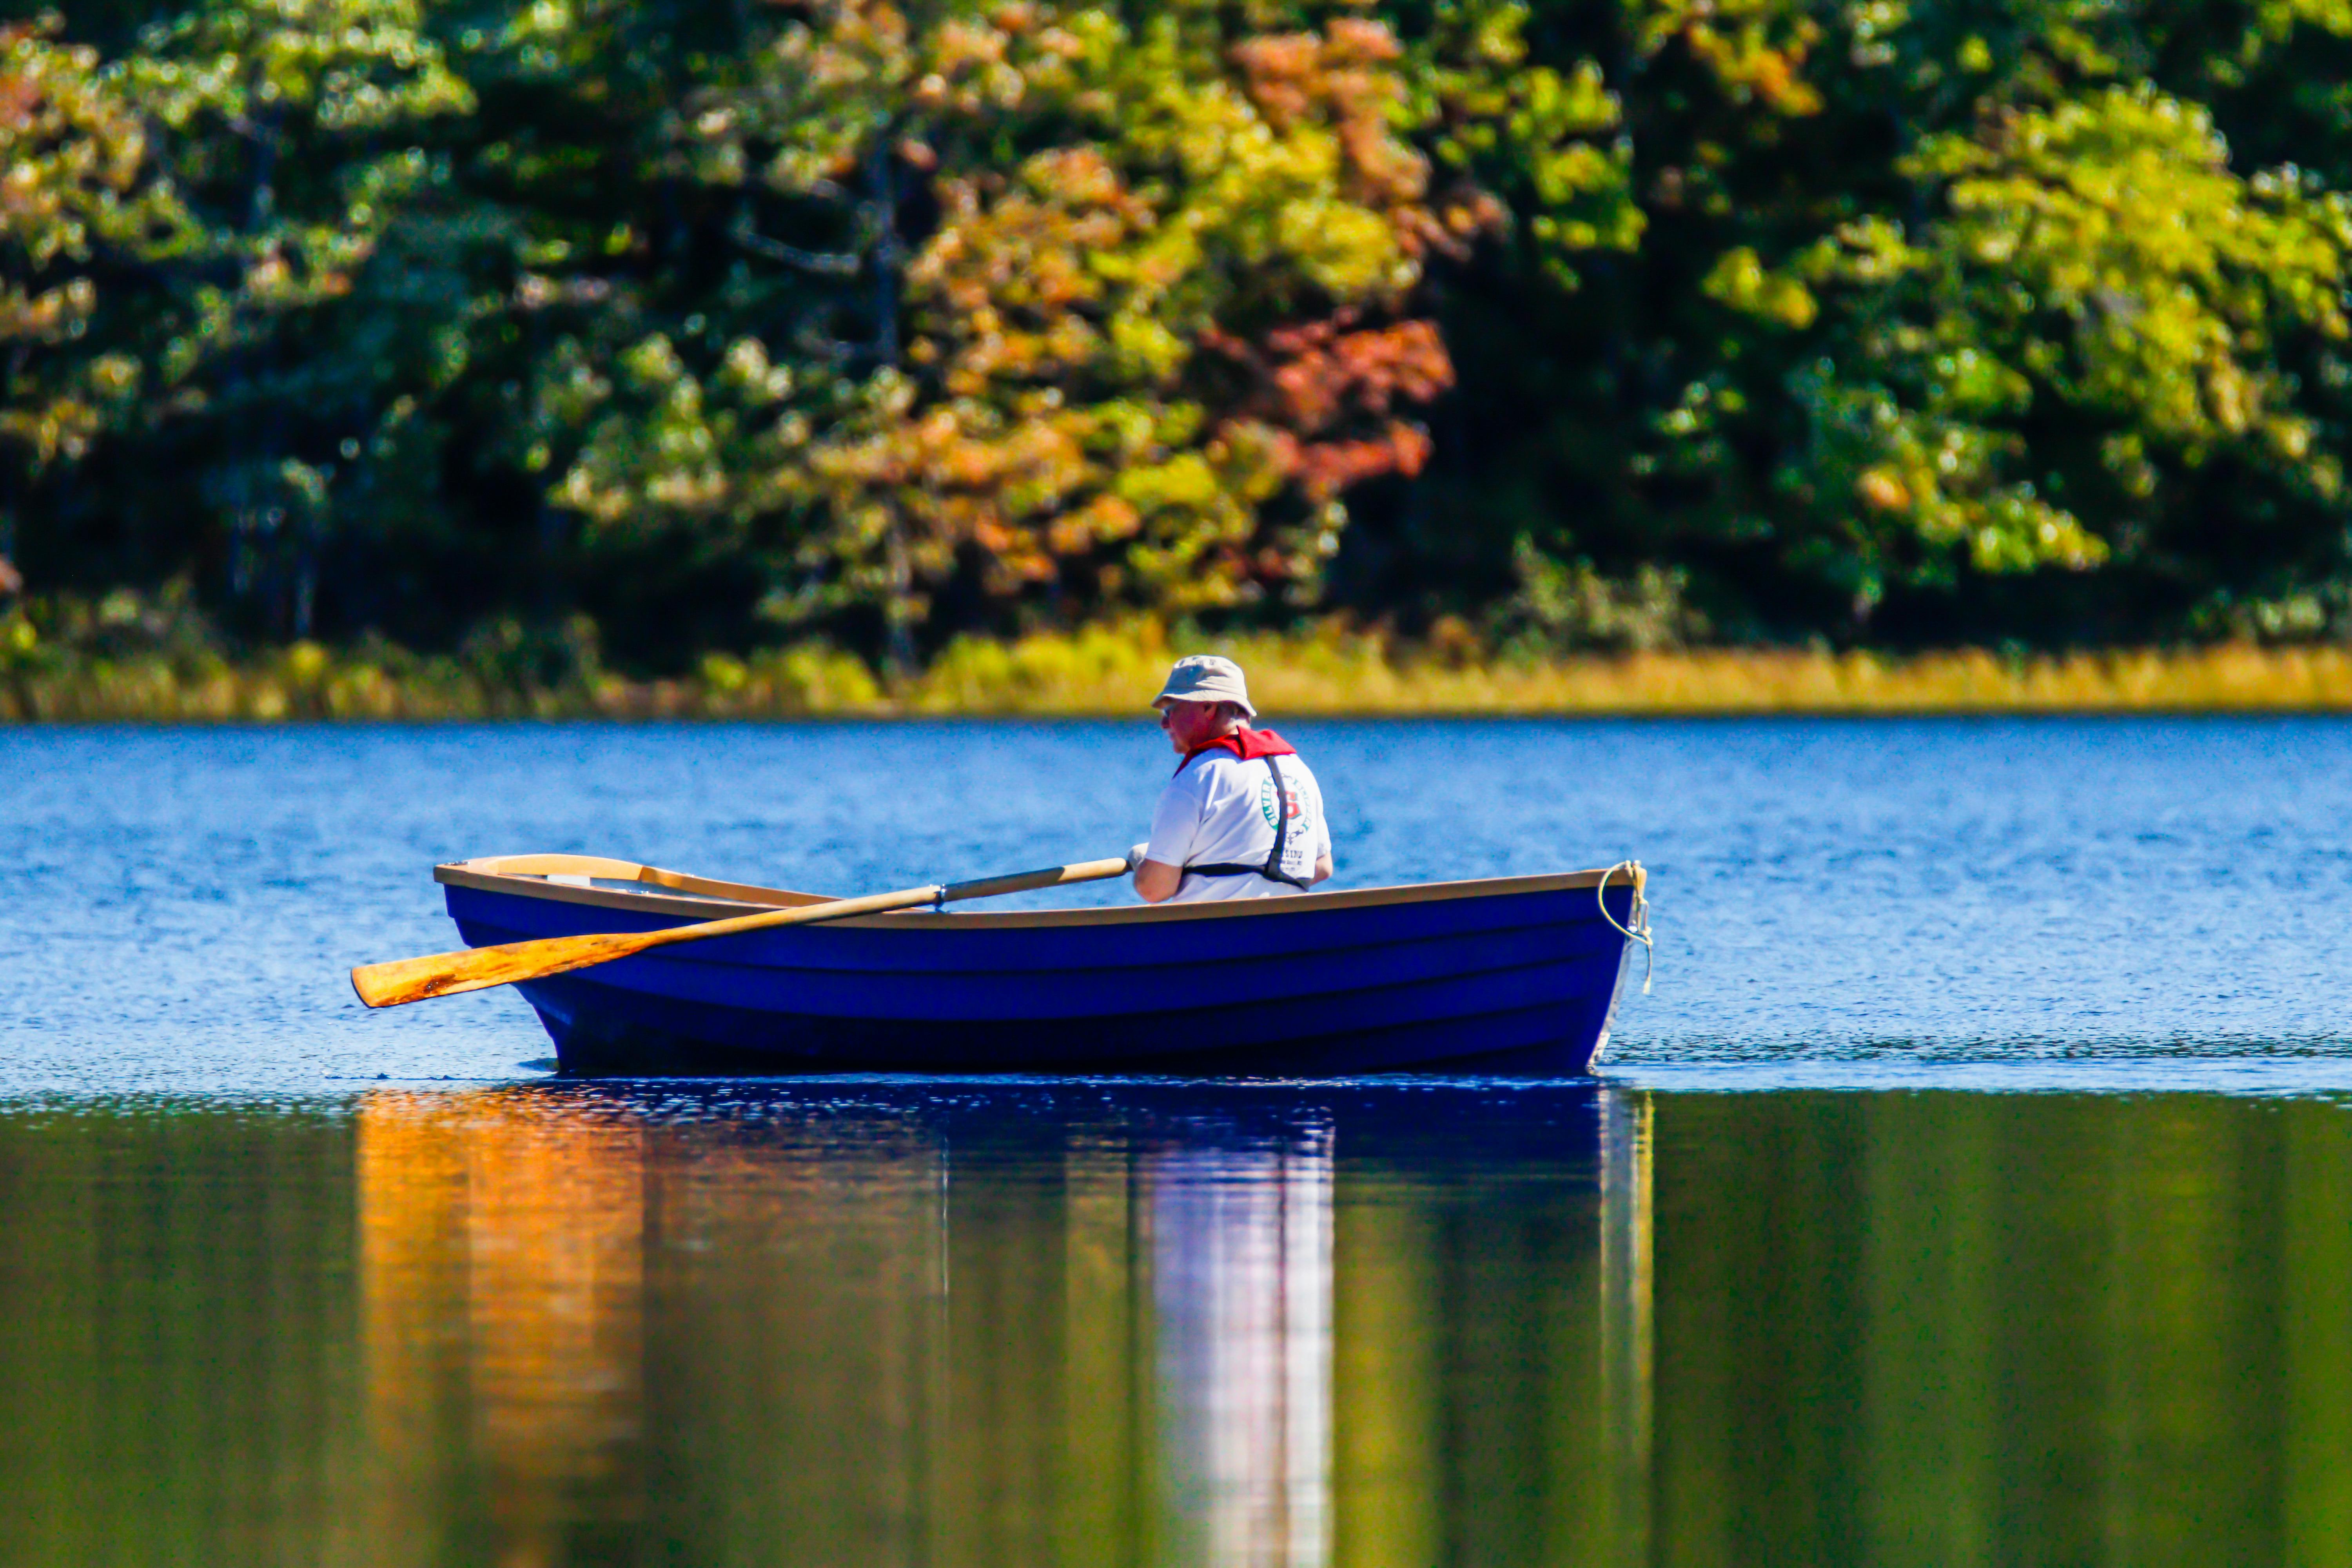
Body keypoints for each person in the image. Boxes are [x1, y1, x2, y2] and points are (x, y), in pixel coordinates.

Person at [1129, 655, 1334, 904]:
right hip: (1285, 930)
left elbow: (1154, 890)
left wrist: (1144, 863)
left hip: (1210, 934)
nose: (1164, 723)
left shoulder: (1199, 776)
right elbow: (1322, 866)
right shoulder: (1299, 770)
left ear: (1208, 707)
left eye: (1171, 710)